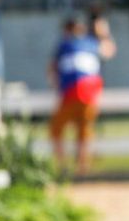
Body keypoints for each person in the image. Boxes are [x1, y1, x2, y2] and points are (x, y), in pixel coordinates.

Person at [48, 14, 116, 174]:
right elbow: (109, 50)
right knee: (84, 130)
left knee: (57, 129)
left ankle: (64, 165)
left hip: (73, 92)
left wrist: (56, 86)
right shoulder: (91, 43)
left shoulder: (66, 45)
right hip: (89, 93)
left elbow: (52, 68)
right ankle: (82, 166)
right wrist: (104, 33)